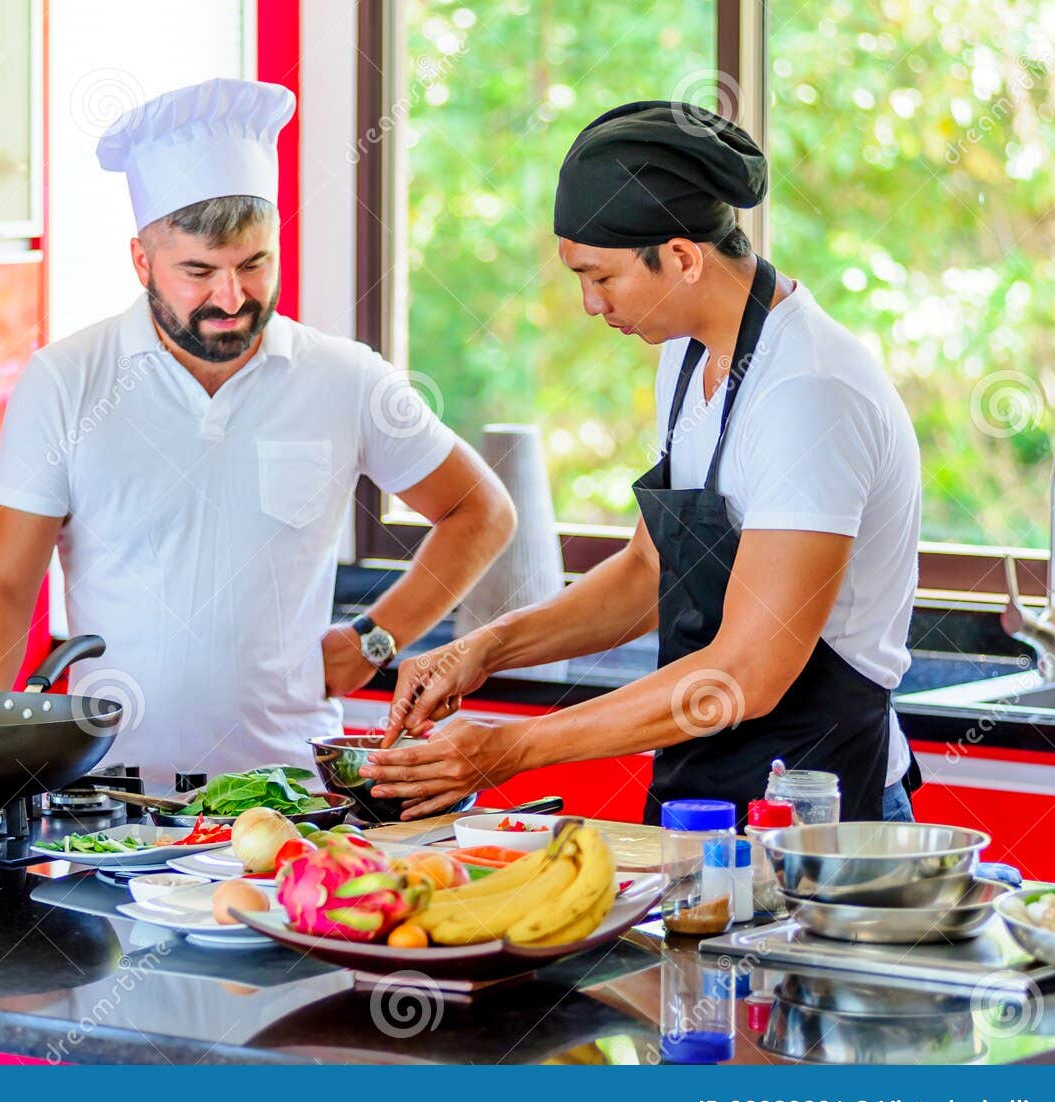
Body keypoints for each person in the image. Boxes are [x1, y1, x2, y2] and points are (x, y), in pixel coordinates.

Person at [366, 101, 922, 824]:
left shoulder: (808, 392)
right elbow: (646, 573)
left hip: (822, 819)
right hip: (706, 803)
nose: (590, 304)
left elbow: (744, 673)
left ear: (684, 258)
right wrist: (482, 648)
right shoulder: (685, 356)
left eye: (600, 277)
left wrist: (514, 747)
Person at [0, 78, 515, 785]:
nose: (232, 297)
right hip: (110, 794)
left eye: (255, 264)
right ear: (142, 261)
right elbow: (6, 583)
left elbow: (482, 510)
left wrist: (373, 640)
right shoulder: (66, 381)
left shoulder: (345, 378)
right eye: (199, 271)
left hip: (291, 796)